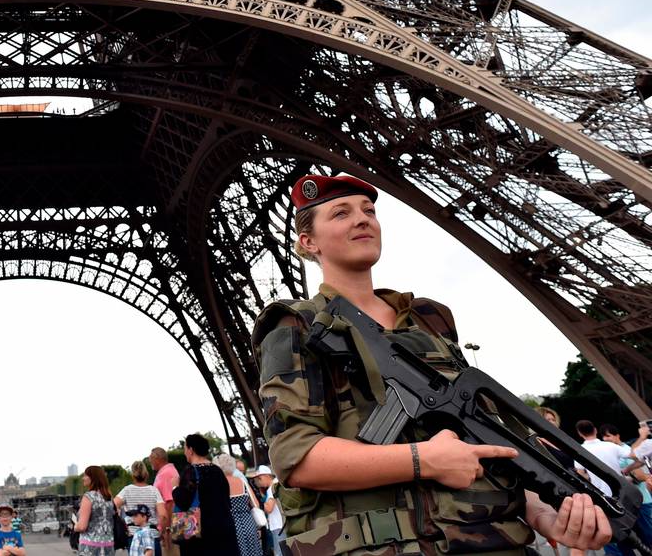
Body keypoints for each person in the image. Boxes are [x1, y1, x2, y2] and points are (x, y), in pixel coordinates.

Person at [253, 173, 613, 554]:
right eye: (341, 213)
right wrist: (422, 460)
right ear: (308, 242)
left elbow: (486, 433)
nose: (363, 219)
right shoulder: (298, 324)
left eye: (369, 211)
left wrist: (545, 514)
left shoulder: (430, 319)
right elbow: (296, 457)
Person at [172, 434, 238, 556]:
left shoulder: (189, 471)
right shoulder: (218, 471)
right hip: (223, 528)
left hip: (200, 532)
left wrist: (175, 487)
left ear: (191, 450)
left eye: (185, 448)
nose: (184, 452)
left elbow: (183, 501)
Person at [215, 453, 262, 556]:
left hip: (232, 526)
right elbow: (256, 504)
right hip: (249, 524)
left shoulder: (219, 484)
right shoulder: (242, 481)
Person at [114, 460, 164, 553]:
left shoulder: (127, 490)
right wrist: (162, 531)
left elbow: (113, 507)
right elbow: (163, 514)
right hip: (152, 534)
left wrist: (121, 526)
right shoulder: (154, 491)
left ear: (133, 475)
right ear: (146, 474)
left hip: (133, 535)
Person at [73, 465, 116, 555]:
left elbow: (82, 527)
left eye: (85, 475)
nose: (83, 478)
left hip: (90, 547)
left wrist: (75, 526)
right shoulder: (109, 497)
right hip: (109, 545)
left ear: (93, 478)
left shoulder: (89, 496)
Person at [576, 419, 624, 498]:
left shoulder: (580, 451)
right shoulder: (610, 445)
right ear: (595, 430)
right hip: (622, 490)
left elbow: (581, 473)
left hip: (603, 494)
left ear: (580, 434)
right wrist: (627, 469)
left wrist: (592, 478)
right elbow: (634, 456)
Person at [149, 447, 180, 556]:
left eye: (151, 458)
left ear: (157, 459)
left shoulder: (165, 474)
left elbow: (170, 502)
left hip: (168, 529)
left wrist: (166, 529)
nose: (149, 461)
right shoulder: (167, 471)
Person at [250, 466, 284, 556]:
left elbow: (269, 508)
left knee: (279, 553)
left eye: (259, 478)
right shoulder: (276, 483)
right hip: (281, 525)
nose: (258, 482)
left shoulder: (273, 486)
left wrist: (256, 501)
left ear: (267, 476)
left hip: (278, 526)